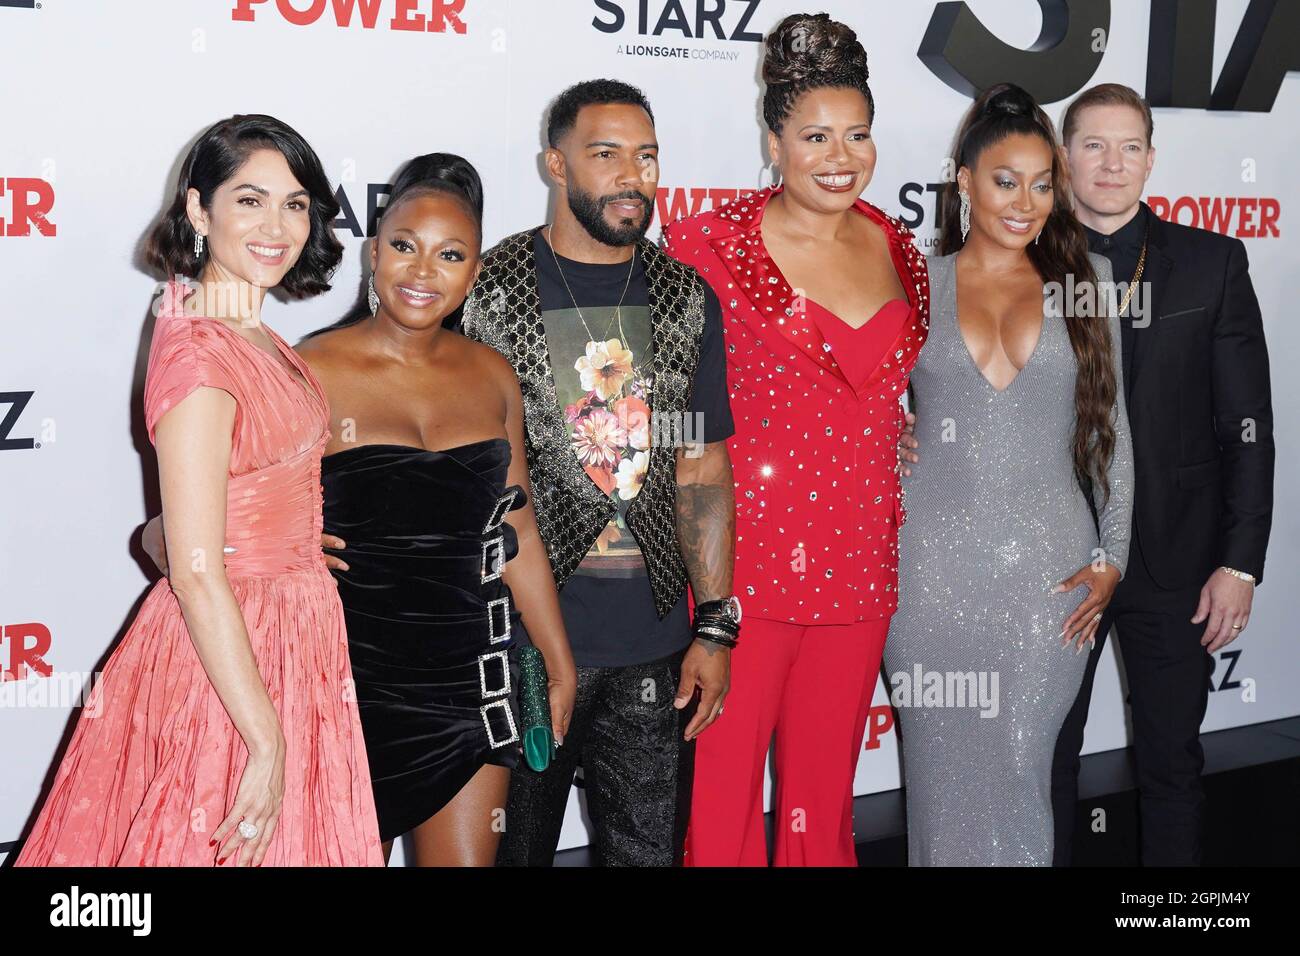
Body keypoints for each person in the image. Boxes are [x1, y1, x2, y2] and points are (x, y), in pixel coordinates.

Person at [145, 154, 580, 866]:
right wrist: (255, 542)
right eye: (404, 246)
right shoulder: (310, 368)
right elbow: (185, 528)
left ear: (474, 272)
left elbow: (518, 527)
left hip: (466, 683)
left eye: (450, 255)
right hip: (339, 684)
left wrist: (560, 662)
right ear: (374, 252)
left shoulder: (492, 375)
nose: (421, 271)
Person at [15, 115, 383, 867]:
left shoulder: (252, 328)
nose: (276, 225)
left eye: (295, 203)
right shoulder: (200, 348)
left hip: (294, 631)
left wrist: (272, 531)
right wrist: (266, 738)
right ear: (196, 210)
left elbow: (186, 520)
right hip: (229, 655)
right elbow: (195, 570)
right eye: (248, 200)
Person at [662, 11, 929, 866]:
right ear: (773, 141)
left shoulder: (900, 247)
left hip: (860, 565)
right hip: (744, 575)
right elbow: (667, 410)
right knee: (722, 805)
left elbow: (888, 394)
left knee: (823, 807)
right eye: (814, 135)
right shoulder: (707, 245)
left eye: (858, 134)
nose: (839, 155)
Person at [460, 79, 737, 867]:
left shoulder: (684, 298)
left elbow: (699, 462)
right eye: (605, 154)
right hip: (515, 646)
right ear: (555, 163)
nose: (631, 176)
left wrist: (715, 623)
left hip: (652, 651)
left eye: (645, 156)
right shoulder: (484, 290)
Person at [885, 84, 1133, 865]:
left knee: (1024, 771)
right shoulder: (914, 281)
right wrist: (886, 441)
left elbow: (1114, 437)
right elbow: (857, 407)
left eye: (1041, 182)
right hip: (929, 575)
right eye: (1003, 180)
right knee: (936, 784)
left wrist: (1113, 559)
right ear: (963, 181)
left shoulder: (1085, 277)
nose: (1025, 202)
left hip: (1052, 576)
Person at [1046, 84, 1274, 866]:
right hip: (1056, 564)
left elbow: (1249, 431)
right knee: (1044, 764)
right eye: (1093, 146)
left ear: (1151, 157)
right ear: (1064, 155)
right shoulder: (1016, 264)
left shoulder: (1213, 263)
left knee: (1172, 767)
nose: (1112, 164)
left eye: (1129, 146)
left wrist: (1240, 563)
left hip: (1176, 563)